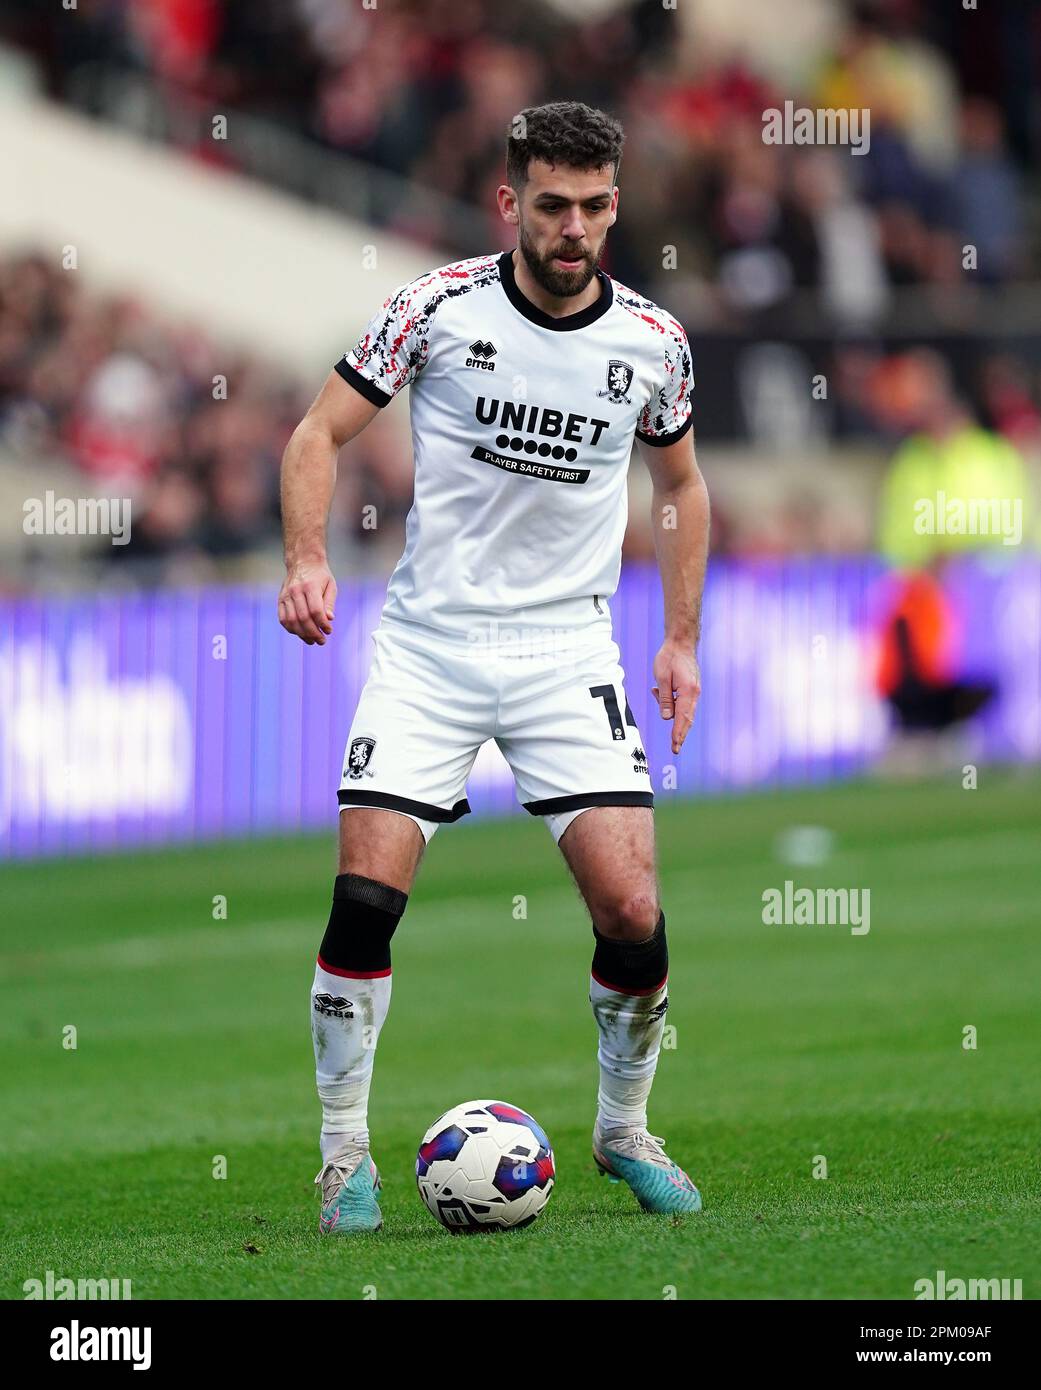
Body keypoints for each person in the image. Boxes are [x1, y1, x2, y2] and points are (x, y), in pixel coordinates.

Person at [278, 101, 711, 1233]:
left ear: (615, 205)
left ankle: (623, 1127)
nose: (575, 229)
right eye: (553, 205)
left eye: (595, 207)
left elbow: (680, 486)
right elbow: (317, 433)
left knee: (632, 909)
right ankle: (341, 1157)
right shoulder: (435, 309)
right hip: (431, 648)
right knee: (365, 900)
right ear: (510, 201)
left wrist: (679, 636)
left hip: (567, 653)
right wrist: (307, 559)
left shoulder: (652, 342)